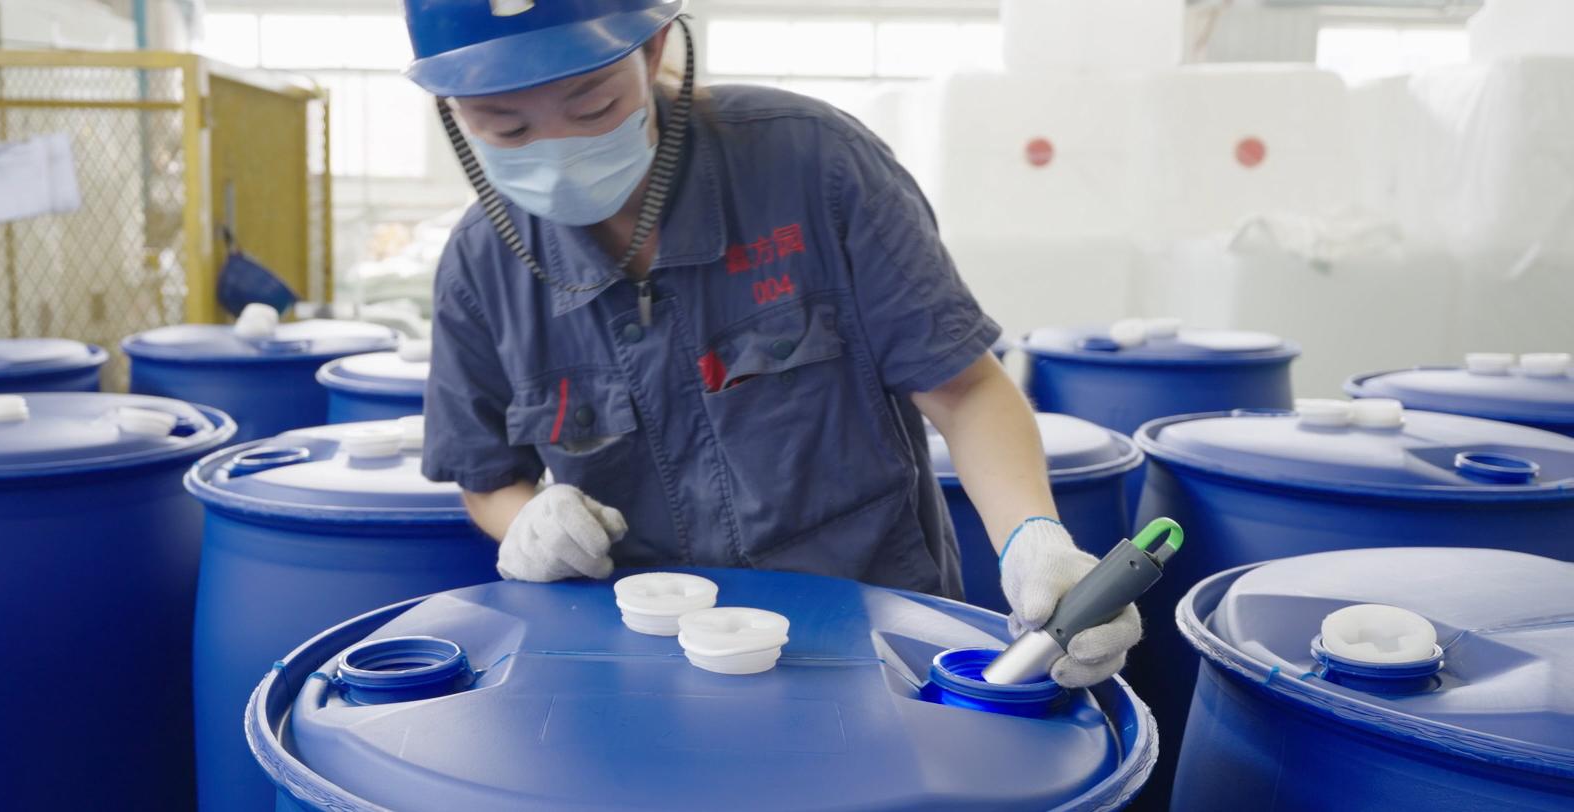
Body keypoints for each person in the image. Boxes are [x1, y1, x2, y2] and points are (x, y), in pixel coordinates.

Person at [404, 0, 1139, 688]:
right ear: (453, 111)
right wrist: (528, 522)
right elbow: (487, 475)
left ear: (654, 48)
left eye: (592, 106)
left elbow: (965, 389)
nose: (558, 148)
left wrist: (1033, 538)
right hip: (637, 663)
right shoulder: (481, 265)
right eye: (507, 128)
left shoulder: (815, 165)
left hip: (865, 639)